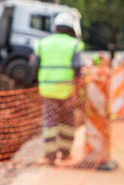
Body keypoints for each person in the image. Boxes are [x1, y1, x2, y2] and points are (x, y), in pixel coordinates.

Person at [32, 12, 85, 164]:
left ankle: (50, 156)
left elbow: (34, 66)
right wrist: (77, 91)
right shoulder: (74, 45)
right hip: (68, 91)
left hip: (48, 91)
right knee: (67, 123)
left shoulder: (43, 43)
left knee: (50, 123)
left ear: (55, 27)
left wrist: (37, 85)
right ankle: (65, 153)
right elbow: (77, 70)